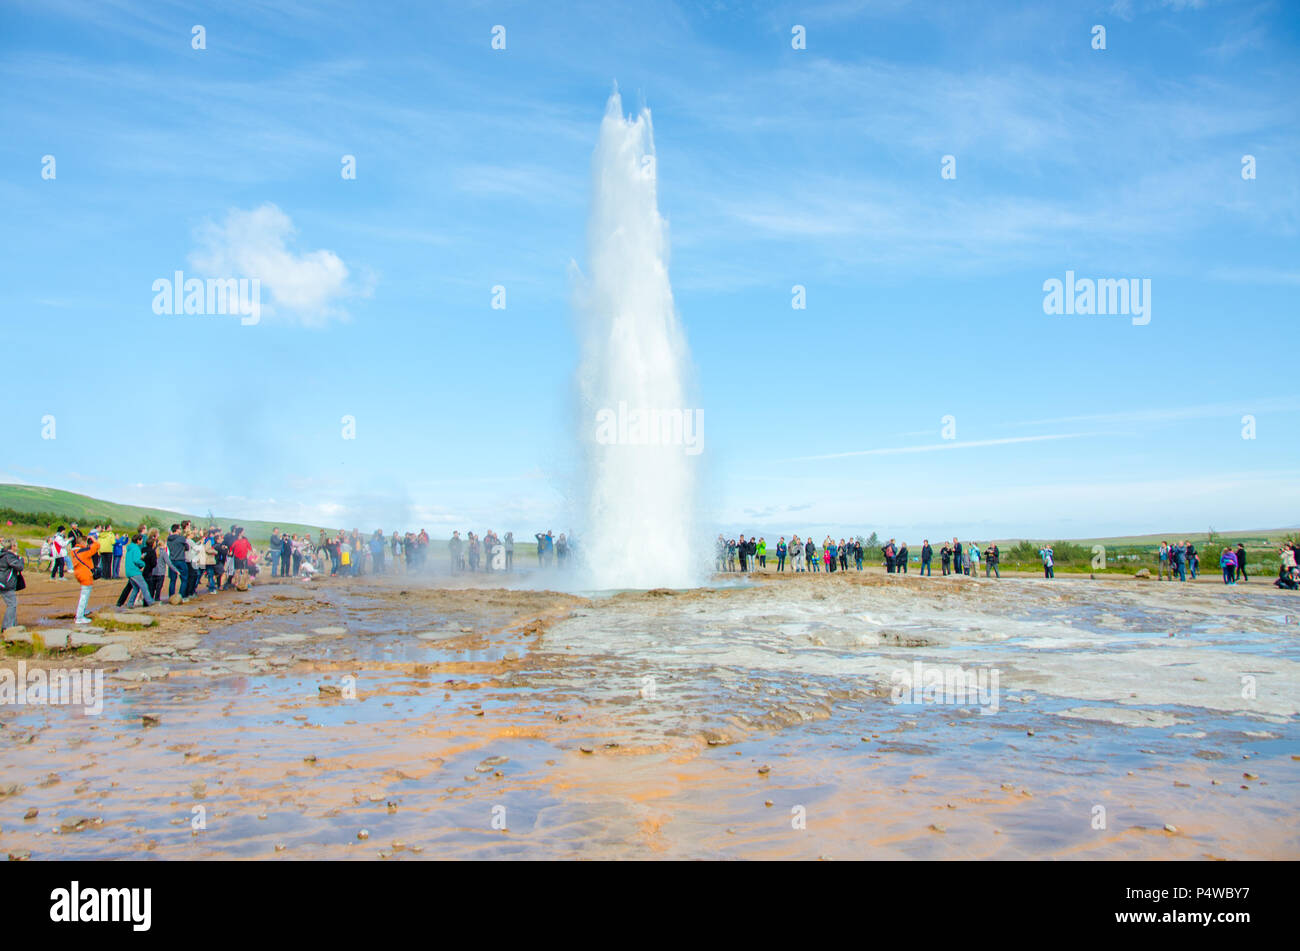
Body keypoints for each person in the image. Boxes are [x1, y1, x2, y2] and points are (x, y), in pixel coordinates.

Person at [116, 533, 154, 608]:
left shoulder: (130, 548)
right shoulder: (136, 548)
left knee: (136, 588)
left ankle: (130, 604)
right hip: (134, 571)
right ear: (138, 540)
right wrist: (143, 564)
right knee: (144, 586)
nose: (142, 541)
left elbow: (133, 558)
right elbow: (136, 560)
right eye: (141, 540)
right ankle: (150, 602)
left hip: (129, 571)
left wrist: (141, 558)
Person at [71, 533, 99, 624]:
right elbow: (97, 546)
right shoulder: (83, 552)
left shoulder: (75, 551)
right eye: (86, 542)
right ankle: (79, 617)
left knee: (84, 595)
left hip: (79, 574)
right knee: (84, 597)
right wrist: (93, 539)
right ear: (82, 542)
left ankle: (81, 613)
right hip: (85, 575)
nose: (87, 544)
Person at [1, 538, 25, 632]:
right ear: (12, 546)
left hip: (4, 583)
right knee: (12, 605)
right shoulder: (9, 556)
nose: (17, 547)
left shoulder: (4, 555)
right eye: (16, 545)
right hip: (6, 584)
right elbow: (20, 567)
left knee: (12, 604)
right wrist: (21, 559)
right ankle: (7, 627)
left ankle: (13, 625)